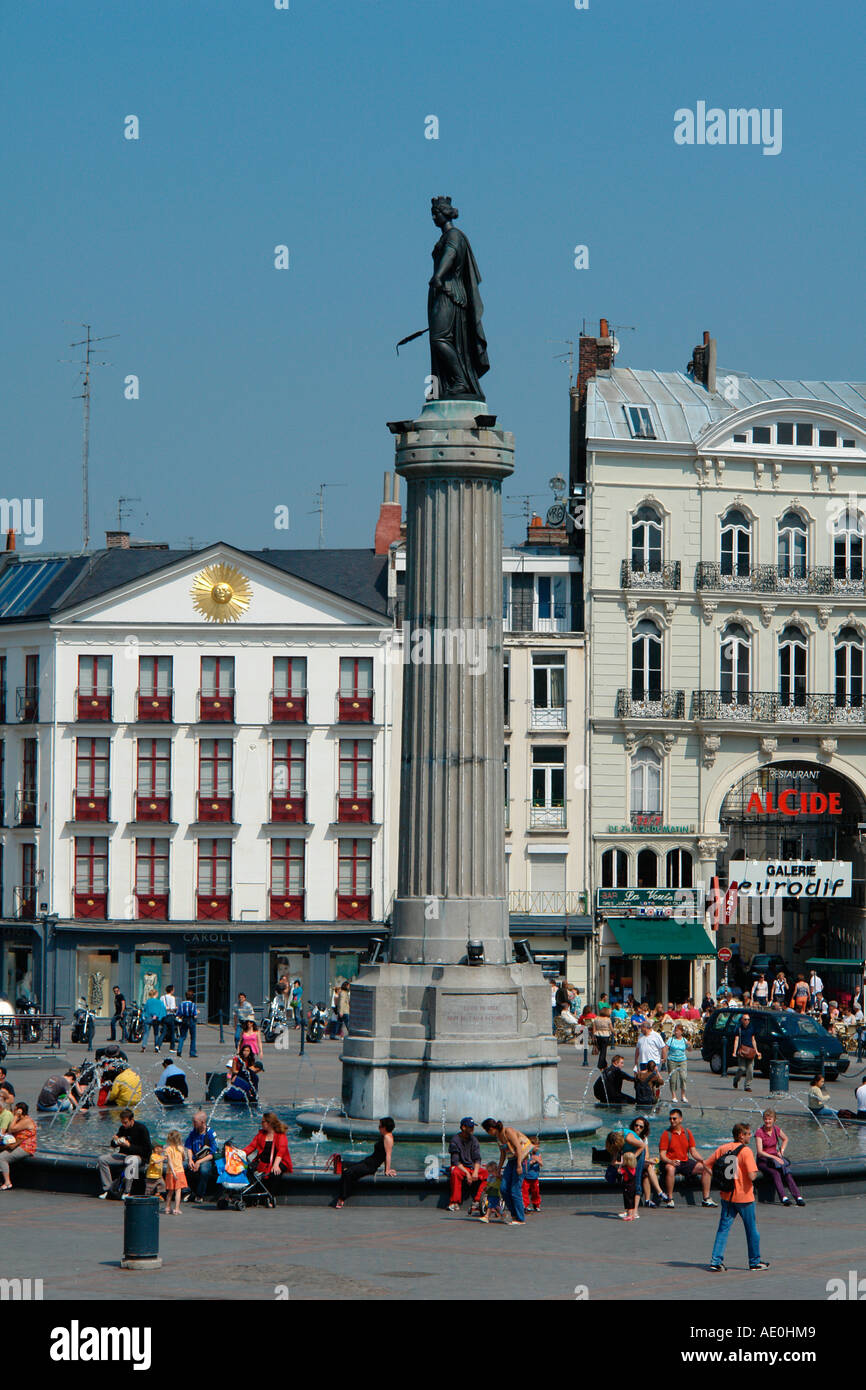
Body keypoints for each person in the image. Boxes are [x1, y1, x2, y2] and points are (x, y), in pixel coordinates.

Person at [707, 1122, 769, 1272]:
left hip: (727, 1196)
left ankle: (716, 1261)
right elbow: (751, 1175)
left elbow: (706, 1164)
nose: (750, 1136)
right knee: (752, 1230)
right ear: (741, 1135)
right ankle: (754, 1262)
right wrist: (756, 1172)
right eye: (748, 1133)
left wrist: (718, 1179)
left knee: (723, 1229)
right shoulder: (746, 1151)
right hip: (744, 1197)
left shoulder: (723, 1148)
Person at [659, 1108, 717, 1208]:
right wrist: (670, 1161)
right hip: (670, 1162)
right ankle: (670, 1199)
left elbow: (693, 1152)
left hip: (685, 1162)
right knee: (670, 1169)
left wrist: (703, 1161)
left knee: (706, 1168)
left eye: (674, 1119)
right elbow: (662, 1155)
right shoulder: (666, 1134)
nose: (672, 1121)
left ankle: (706, 1198)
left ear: (680, 1119)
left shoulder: (687, 1133)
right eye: (670, 1119)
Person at [480, 1118, 533, 1225]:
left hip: (521, 1160)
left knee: (515, 1189)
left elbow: (518, 1147)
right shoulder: (498, 1137)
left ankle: (520, 1218)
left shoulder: (508, 1131)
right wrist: (499, 1168)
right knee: (503, 1188)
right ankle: (514, 1215)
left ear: (491, 1128)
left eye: (487, 1131)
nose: (488, 1133)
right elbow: (503, 1154)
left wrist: (519, 1165)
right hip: (511, 1161)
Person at [335, 1117, 395, 1208]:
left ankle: (342, 1198)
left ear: (385, 1127)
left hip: (371, 1166)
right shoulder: (385, 1136)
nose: (378, 1128)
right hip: (368, 1161)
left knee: (348, 1173)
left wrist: (387, 1170)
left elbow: (388, 1155)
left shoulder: (388, 1138)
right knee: (344, 1164)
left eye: (380, 1126)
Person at [97, 1108, 152, 1198]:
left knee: (131, 1160)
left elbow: (147, 1150)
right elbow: (113, 1145)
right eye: (122, 1122)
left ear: (132, 1120)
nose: (124, 1124)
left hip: (139, 1157)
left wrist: (129, 1146)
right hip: (123, 1155)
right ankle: (108, 1189)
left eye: (125, 1122)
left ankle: (127, 1191)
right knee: (102, 1159)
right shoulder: (122, 1128)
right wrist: (115, 1141)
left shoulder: (141, 1129)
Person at [755, 1108, 804, 1207]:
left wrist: (781, 1150)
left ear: (774, 1120)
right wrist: (774, 1157)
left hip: (775, 1159)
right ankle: (783, 1197)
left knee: (787, 1172)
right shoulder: (759, 1132)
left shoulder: (776, 1129)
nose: (767, 1121)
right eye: (765, 1119)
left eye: (770, 1119)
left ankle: (798, 1197)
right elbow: (760, 1152)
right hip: (764, 1161)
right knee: (776, 1173)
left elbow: (786, 1139)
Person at [448, 1116, 488, 1213]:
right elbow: (455, 1161)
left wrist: (475, 1172)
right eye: (470, 1127)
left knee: (488, 1174)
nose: (472, 1129)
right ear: (463, 1127)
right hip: (460, 1167)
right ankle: (454, 1202)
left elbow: (477, 1159)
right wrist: (467, 1173)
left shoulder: (474, 1140)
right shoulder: (455, 1141)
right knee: (455, 1173)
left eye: (473, 1127)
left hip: (471, 1167)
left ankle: (478, 1200)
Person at [624, 1115, 663, 1207]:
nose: (638, 1128)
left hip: (640, 1162)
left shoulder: (644, 1139)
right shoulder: (630, 1136)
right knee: (648, 1167)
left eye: (641, 1127)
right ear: (633, 1126)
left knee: (646, 1172)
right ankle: (659, 1192)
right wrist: (648, 1161)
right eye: (636, 1125)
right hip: (631, 1163)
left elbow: (646, 1155)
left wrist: (650, 1160)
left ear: (644, 1129)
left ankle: (647, 1200)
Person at [244, 1113, 293, 1187]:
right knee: (246, 1168)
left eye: (263, 1122)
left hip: (279, 1161)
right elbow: (251, 1147)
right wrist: (239, 1153)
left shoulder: (281, 1135)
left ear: (269, 1123)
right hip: (263, 1162)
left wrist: (276, 1165)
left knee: (275, 1173)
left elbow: (281, 1151)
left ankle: (271, 1194)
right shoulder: (260, 1135)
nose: (261, 1124)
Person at [0, 1101, 37, 1189]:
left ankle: (8, 1182)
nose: (13, 1111)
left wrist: (16, 1116)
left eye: (15, 1110)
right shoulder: (21, 1120)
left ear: (19, 1111)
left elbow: (12, 1129)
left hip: (25, 1147)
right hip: (17, 1144)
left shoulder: (26, 1121)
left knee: (1, 1158)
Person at [184, 1112, 218, 1202]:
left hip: (206, 1159)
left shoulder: (210, 1133)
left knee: (204, 1171)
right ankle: (187, 1191)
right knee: (180, 1167)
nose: (193, 1124)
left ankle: (199, 1194)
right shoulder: (193, 1133)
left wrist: (199, 1162)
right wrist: (190, 1159)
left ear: (202, 1122)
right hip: (194, 1158)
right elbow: (189, 1148)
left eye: (195, 1122)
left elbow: (212, 1154)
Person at [731, 1011, 761, 1092]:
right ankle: (736, 1080)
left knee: (750, 1070)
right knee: (742, 1068)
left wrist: (757, 1051)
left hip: (750, 1051)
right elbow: (736, 1040)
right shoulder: (739, 1029)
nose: (747, 1021)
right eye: (745, 1019)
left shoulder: (752, 1028)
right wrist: (734, 1051)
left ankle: (747, 1085)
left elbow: (753, 1040)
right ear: (742, 1020)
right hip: (742, 1051)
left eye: (748, 1019)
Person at [163, 1130, 188, 1214]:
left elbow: (168, 1161)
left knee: (170, 1191)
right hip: (180, 1171)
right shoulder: (181, 1148)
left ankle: (167, 1207)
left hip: (170, 1172)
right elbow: (184, 1158)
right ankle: (176, 1208)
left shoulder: (167, 1149)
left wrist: (173, 1171)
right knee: (178, 1191)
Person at [667, 1023, 690, 1104]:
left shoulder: (684, 1040)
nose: (676, 1033)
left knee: (683, 1077)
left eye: (677, 1031)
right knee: (673, 1079)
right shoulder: (671, 1040)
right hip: (672, 1060)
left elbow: (690, 1050)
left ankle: (683, 1096)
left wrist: (689, 1045)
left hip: (682, 1060)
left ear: (681, 1032)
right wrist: (663, 1057)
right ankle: (674, 1096)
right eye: (675, 1031)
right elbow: (666, 1048)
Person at [176, 990, 199, 1058]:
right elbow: (195, 1015)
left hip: (184, 1020)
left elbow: (178, 1014)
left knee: (182, 1036)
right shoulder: (193, 1005)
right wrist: (197, 1013)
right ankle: (192, 1052)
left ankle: (179, 1050)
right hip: (191, 1020)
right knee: (193, 1037)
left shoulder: (181, 1004)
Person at [521, 1142, 543, 1214]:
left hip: (535, 1177)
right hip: (526, 1177)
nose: (537, 1149)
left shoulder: (538, 1155)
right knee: (525, 1192)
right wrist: (532, 1162)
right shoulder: (527, 1155)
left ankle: (536, 1204)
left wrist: (538, 1161)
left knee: (536, 1191)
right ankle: (525, 1205)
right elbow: (525, 1165)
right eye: (535, 1147)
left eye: (538, 1147)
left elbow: (541, 1164)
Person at [618, 1151, 639, 1221]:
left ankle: (629, 1215)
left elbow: (619, 1171)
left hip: (627, 1186)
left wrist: (620, 1165)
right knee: (632, 1200)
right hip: (633, 1186)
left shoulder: (624, 1169)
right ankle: (632, 1214)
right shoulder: (633, 1168)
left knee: (628, 1201)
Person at [159, 985, 178, 1051]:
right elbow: (172, 1008)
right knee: (172, 1032)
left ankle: (158, 1045)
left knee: (164, 1032)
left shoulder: (162, 997)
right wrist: (175, 1008)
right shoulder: (172, 998)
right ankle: (172, 1047)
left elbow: (161, 1006)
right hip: (170, 1016)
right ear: (171, 990)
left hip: (164, 1016)